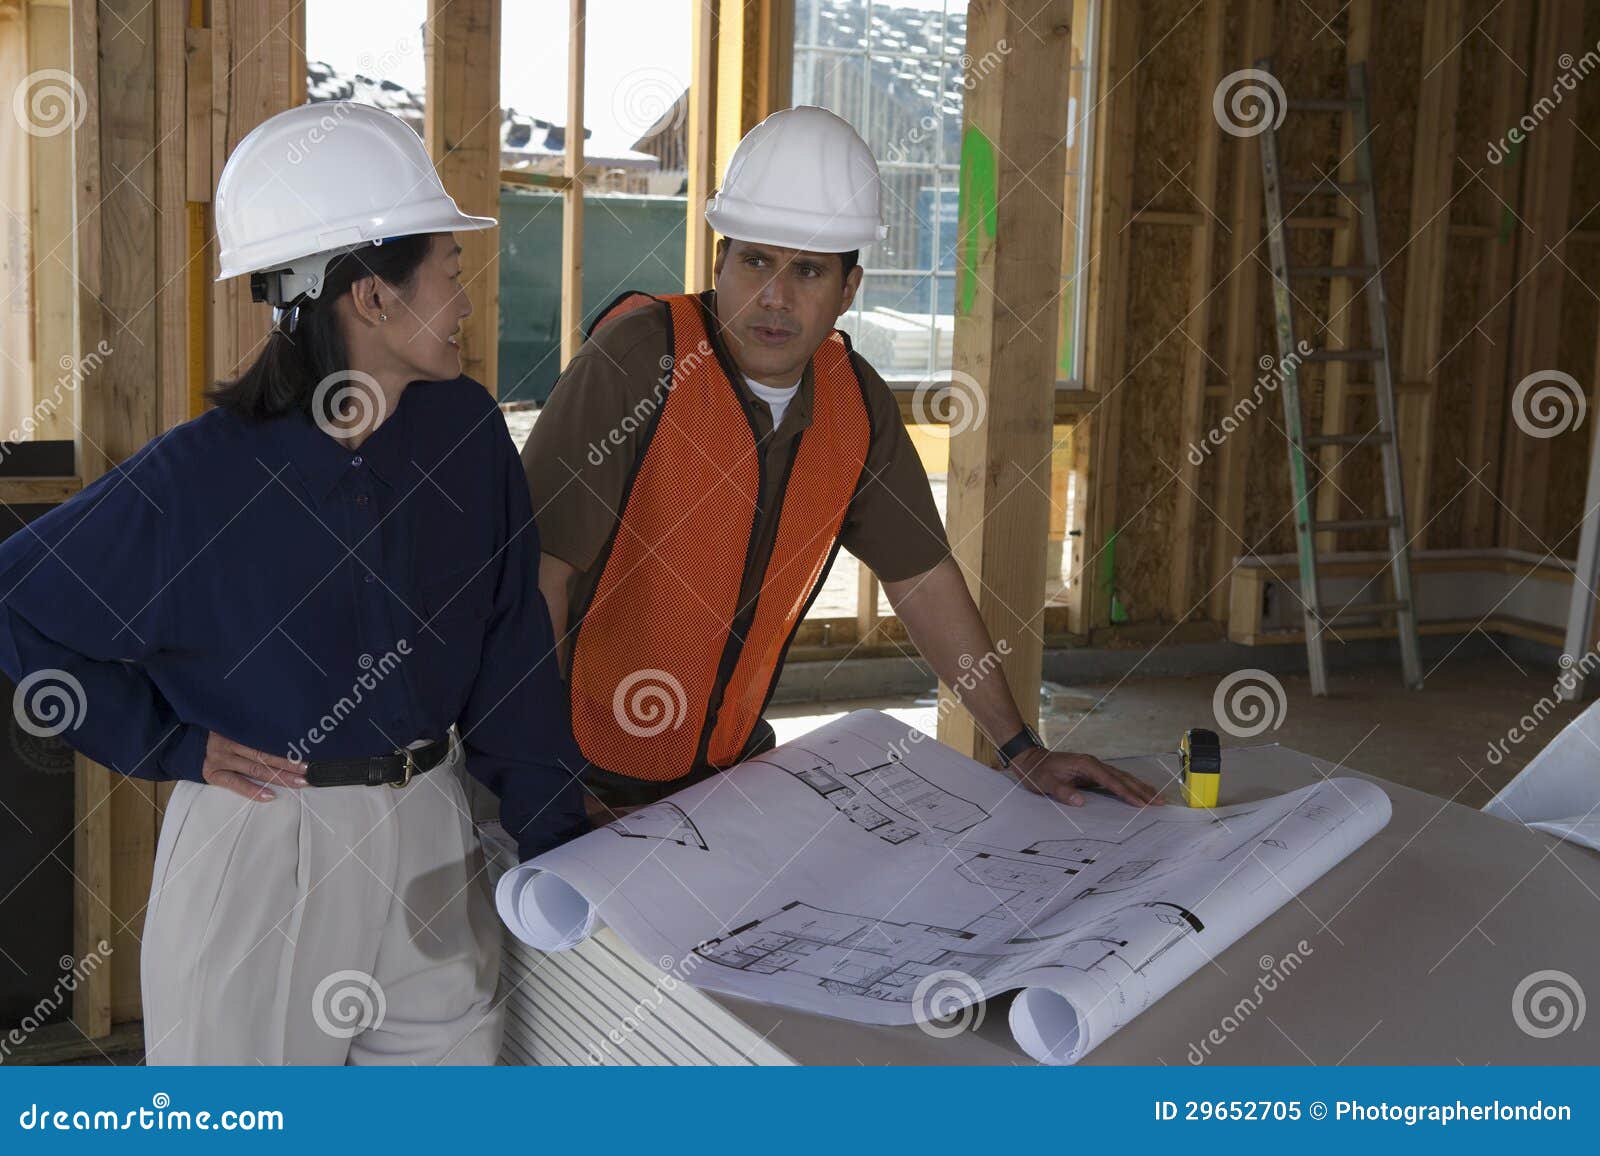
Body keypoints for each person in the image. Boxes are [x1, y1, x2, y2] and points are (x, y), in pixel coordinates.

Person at [0, 101, 585, 1064]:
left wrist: (556, 836)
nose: (467, 294)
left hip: (435, 829)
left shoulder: (468, 435)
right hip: (265, 844)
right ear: (372, 296)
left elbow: (511, 647)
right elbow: (18, 605)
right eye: (448, 266)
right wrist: (166, 743)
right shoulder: (202, 475)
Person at [523, 105, 1165, 824]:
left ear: (848, 290)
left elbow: (922, 579)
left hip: (726, 775)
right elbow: (539, 581)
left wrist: (1021, 747)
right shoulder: (639, 361)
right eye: (756, 261)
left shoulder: (854, 402)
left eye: (808, 271)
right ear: (719, 261)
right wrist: (546, 782)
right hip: (584, 771)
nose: (775, 297)